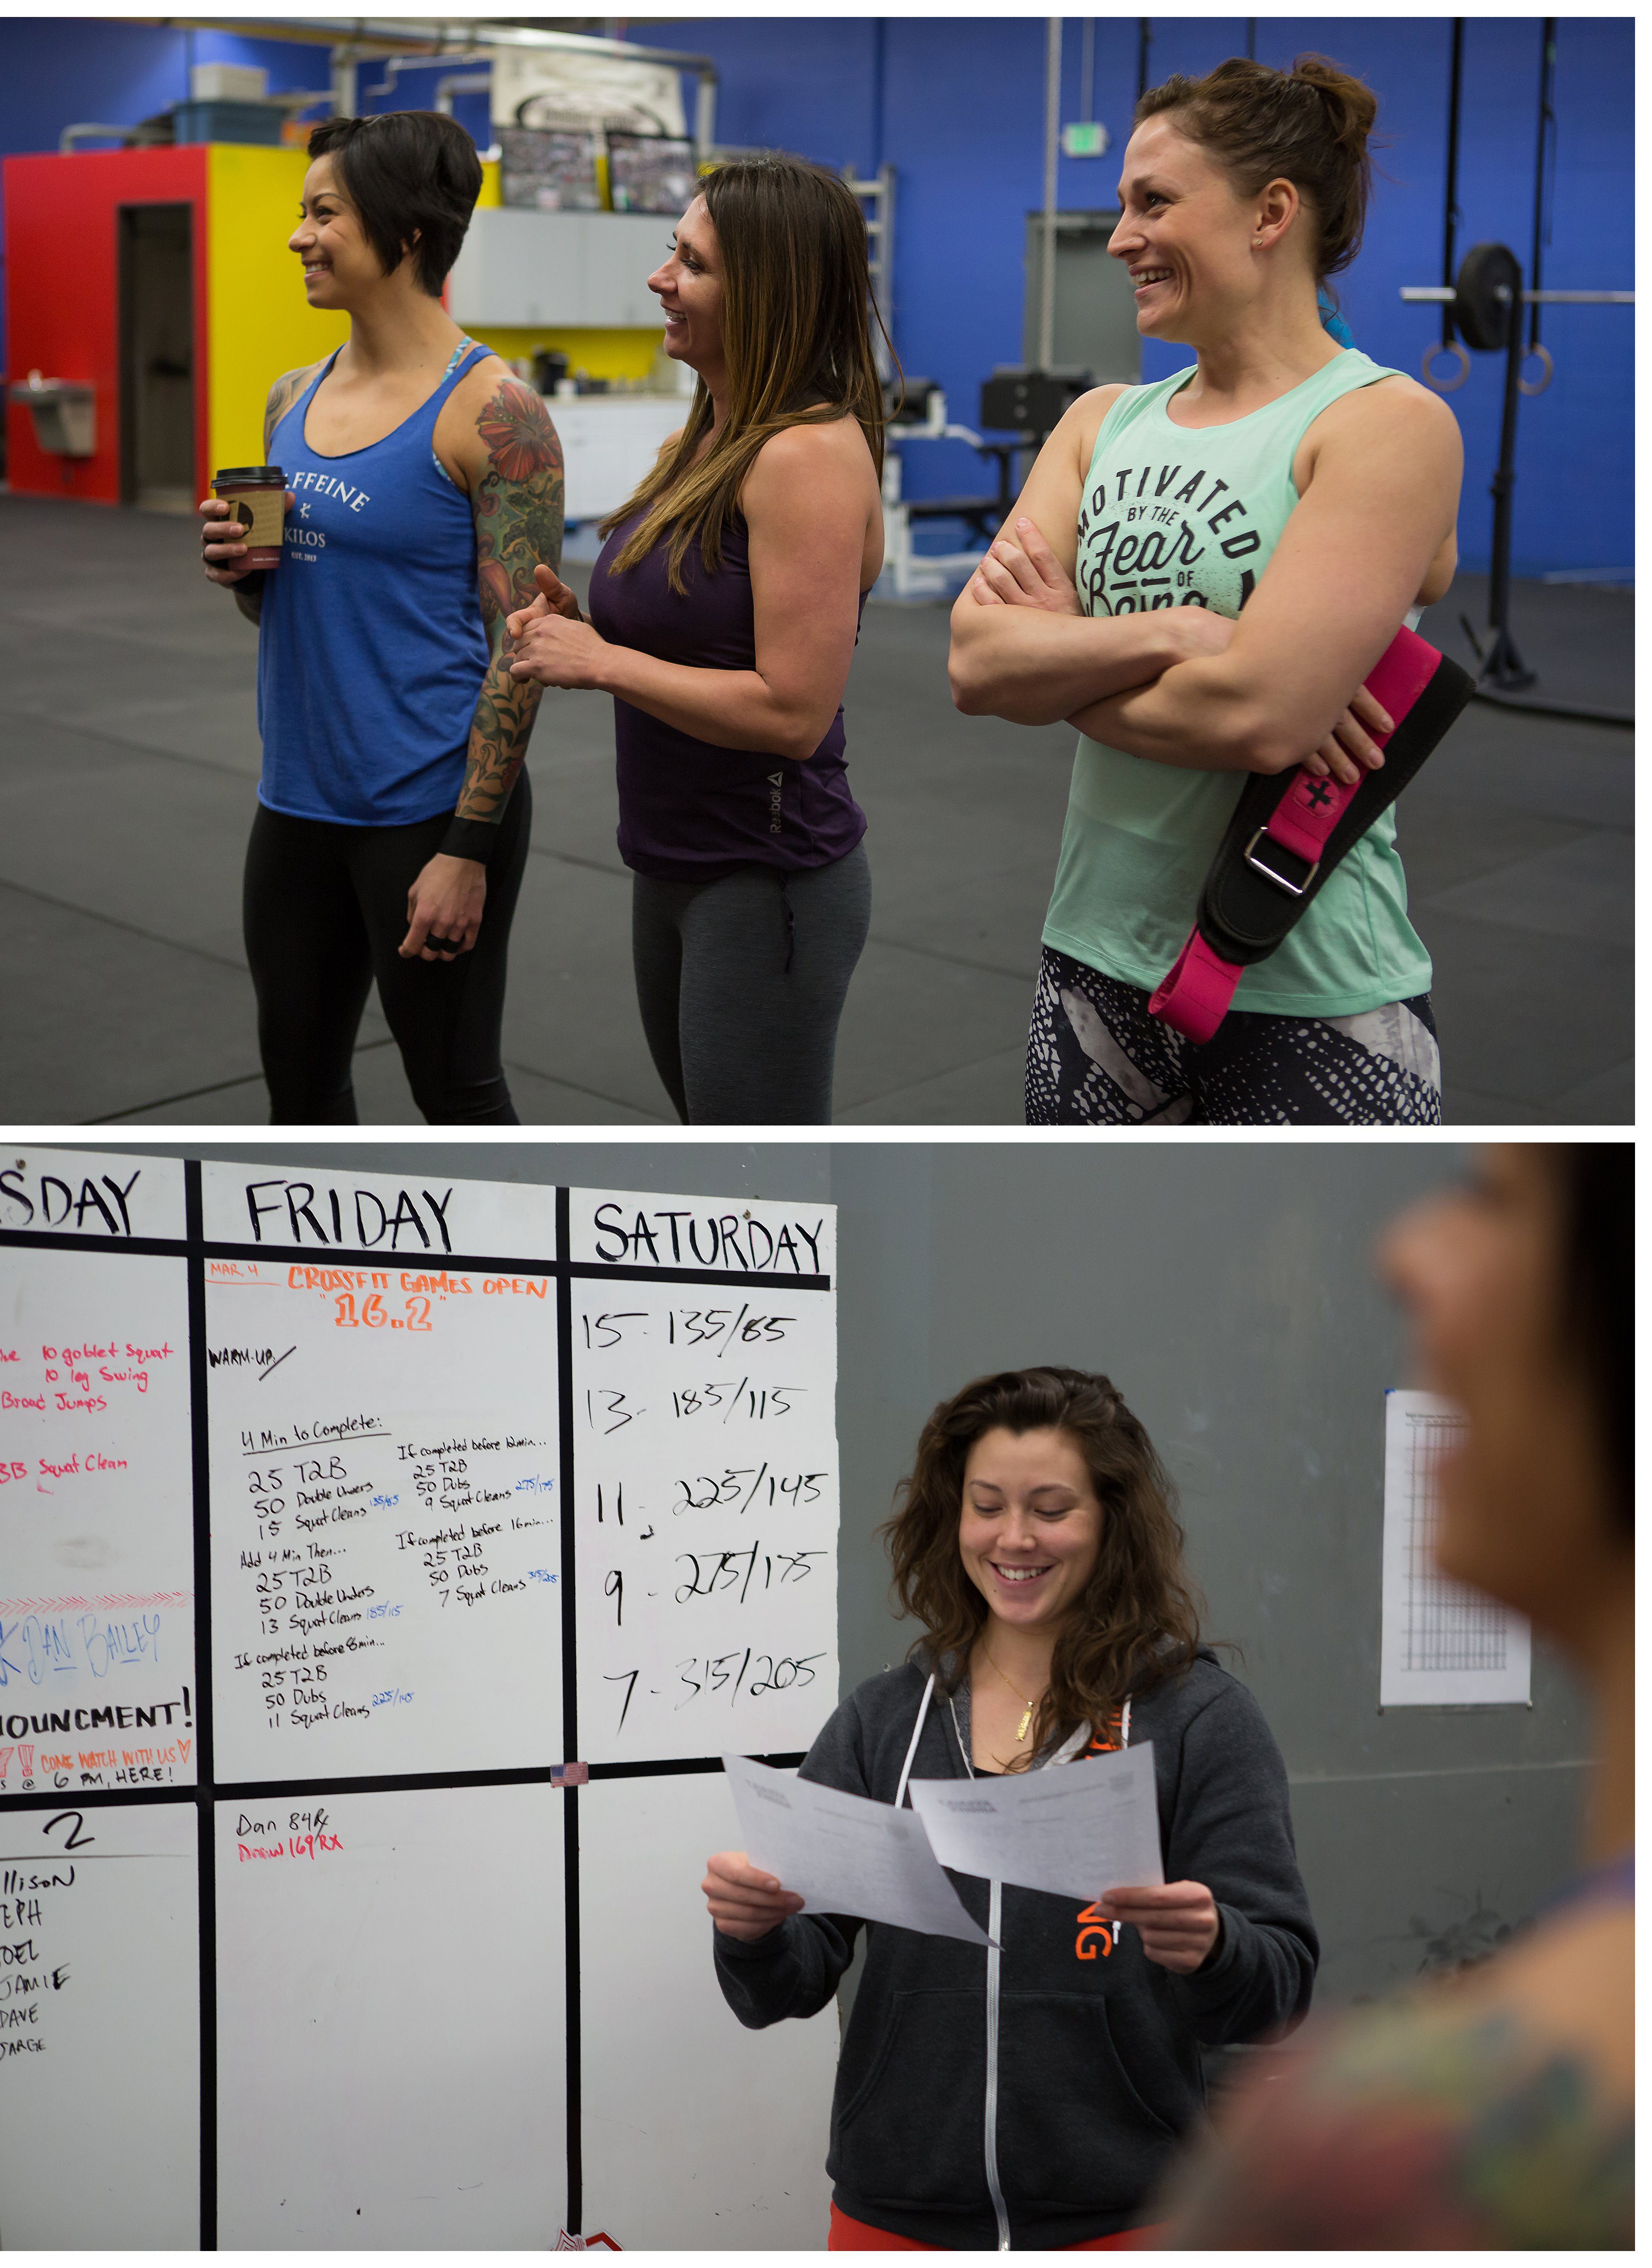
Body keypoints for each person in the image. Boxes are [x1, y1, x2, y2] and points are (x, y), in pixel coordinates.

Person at [946, 58, 1464, 1127]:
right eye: (1122, 205)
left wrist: (1067, 657)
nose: (1121, 237)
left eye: (1154, 202)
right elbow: (974, 662)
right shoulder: (1102, 420)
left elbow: (1259, 716)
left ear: (1271, 212)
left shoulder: (1380, 425)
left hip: (1301, 982)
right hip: (1090, 957)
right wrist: (1183, 633)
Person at [702, 1367, 1318, 2248]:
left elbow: (1277, 1988)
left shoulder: (1198, 1720)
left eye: (1052, 1508)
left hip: (1127, 2223)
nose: (1014, 1538)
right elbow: (789, 1985)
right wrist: (752, 1930)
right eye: (986, 1505)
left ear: (1111, 1522)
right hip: (895, 2219)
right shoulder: (887, 1718)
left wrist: (1215, 1948)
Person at [1152, 1145, 1633, 2247]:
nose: (1403, 1253)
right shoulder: (896, 1710)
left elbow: (1270, 1976)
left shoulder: (1382, 2155)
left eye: (1499, 1202)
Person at [199, 110, 563, 1123]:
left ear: (405, 236)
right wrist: (244, 572)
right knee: (301, 1093)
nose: (296, 236)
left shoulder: (496, 415)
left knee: (456, 1093)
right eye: (301, 213)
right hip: (298, 801)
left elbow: (522, 650)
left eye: (324, 213)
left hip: (427, 809)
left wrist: (467, 849)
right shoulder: (289, 396)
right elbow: (276, 607)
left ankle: (509, 1284)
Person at [504, 156, 881, 1125]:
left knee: (760, 1194)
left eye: (694, 263)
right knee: (711, 1164)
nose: (660, 277)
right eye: (672, 251)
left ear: (768, 290)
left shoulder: (803, 455)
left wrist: (602, 662)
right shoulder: (706, 434)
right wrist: (586, 628)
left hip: (764, 880)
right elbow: (705, 635)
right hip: (671, 862)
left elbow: (794, 713)